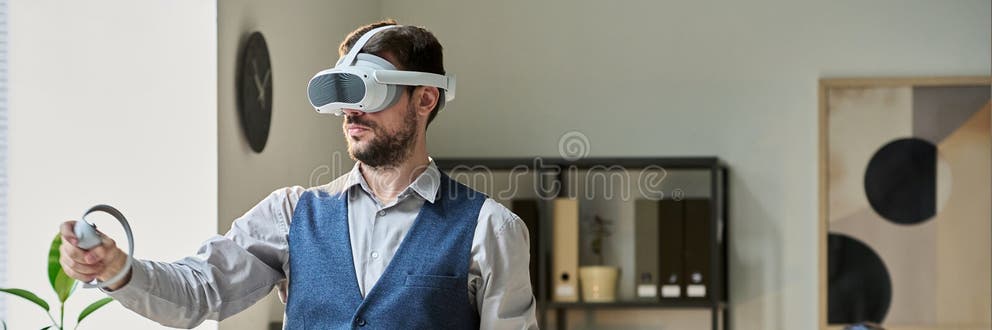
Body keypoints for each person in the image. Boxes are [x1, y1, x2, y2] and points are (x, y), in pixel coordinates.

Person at [58, 20, 538, 329]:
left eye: (368, 91)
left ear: (425, 99)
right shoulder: (291, 213)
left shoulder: (489, 229)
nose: (351, 111)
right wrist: (118, 271)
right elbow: (198, 292)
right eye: (341, 92)